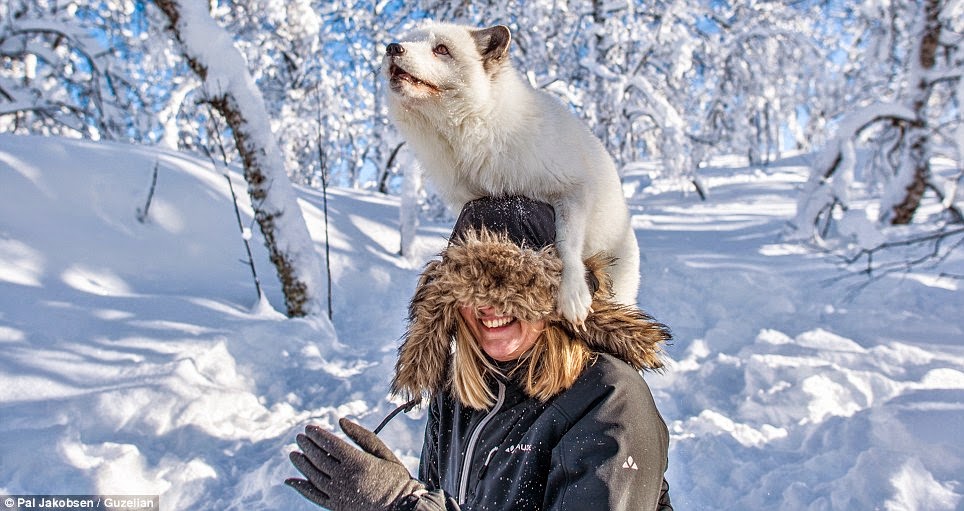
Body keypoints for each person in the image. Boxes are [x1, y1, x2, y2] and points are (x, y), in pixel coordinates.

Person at [287, 196, 673, 511]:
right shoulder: (459, 397)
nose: (490, 308)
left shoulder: (609, 399)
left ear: (554, 300)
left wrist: (402, 506)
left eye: (512, 292)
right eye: (471, 292)